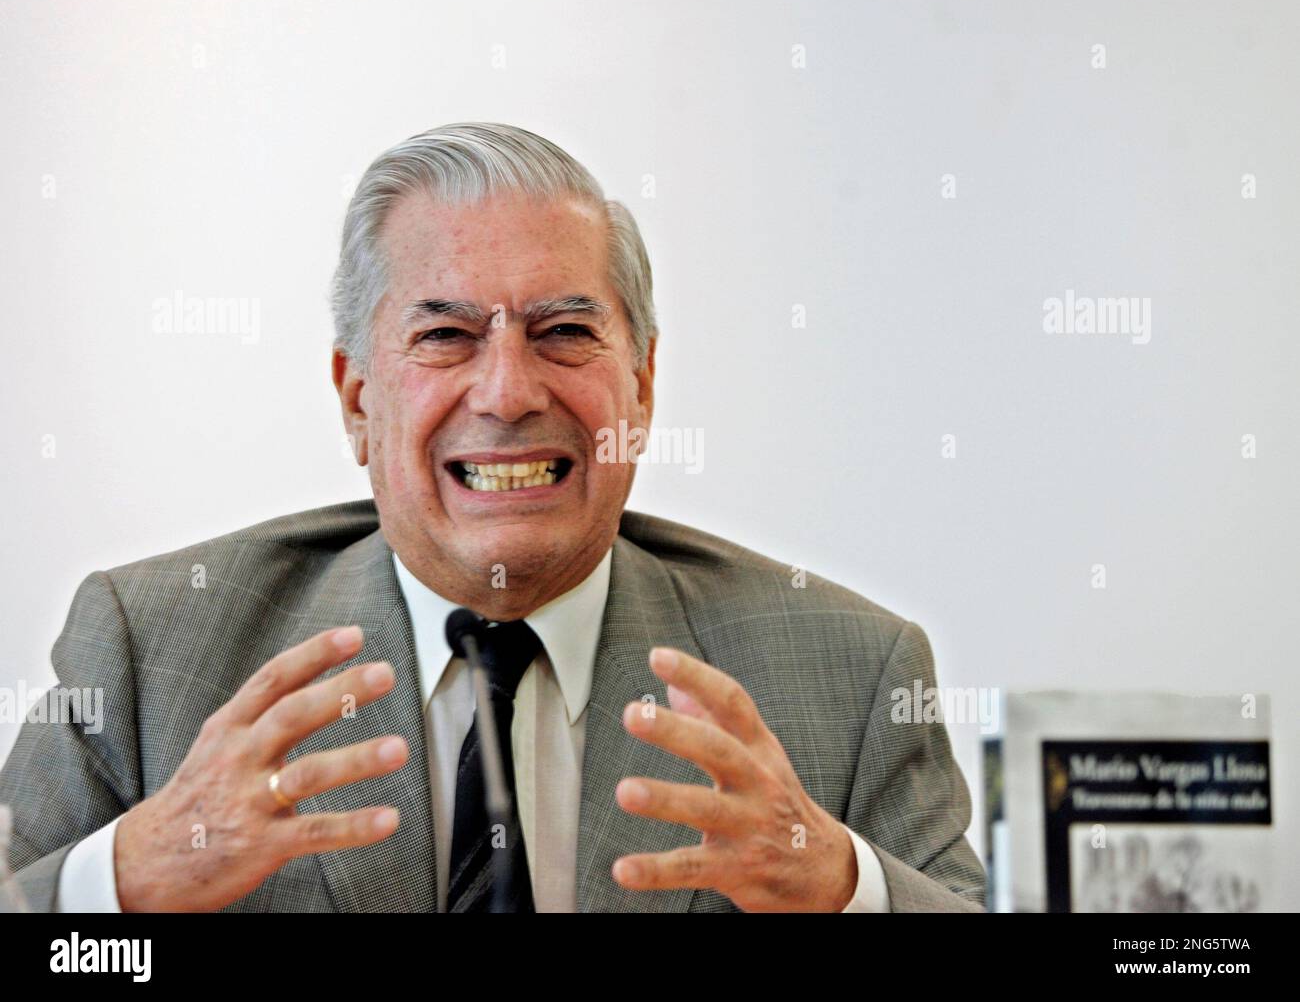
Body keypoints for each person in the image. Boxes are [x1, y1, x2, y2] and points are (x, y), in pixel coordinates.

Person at [0, 123, 984, 912]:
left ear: (639, 391)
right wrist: (121, 886)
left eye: (563, 331)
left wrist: (839, 889)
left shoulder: (852, 672)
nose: (508, 391)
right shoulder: (145, 651)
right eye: (445, 334)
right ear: (356, 400)